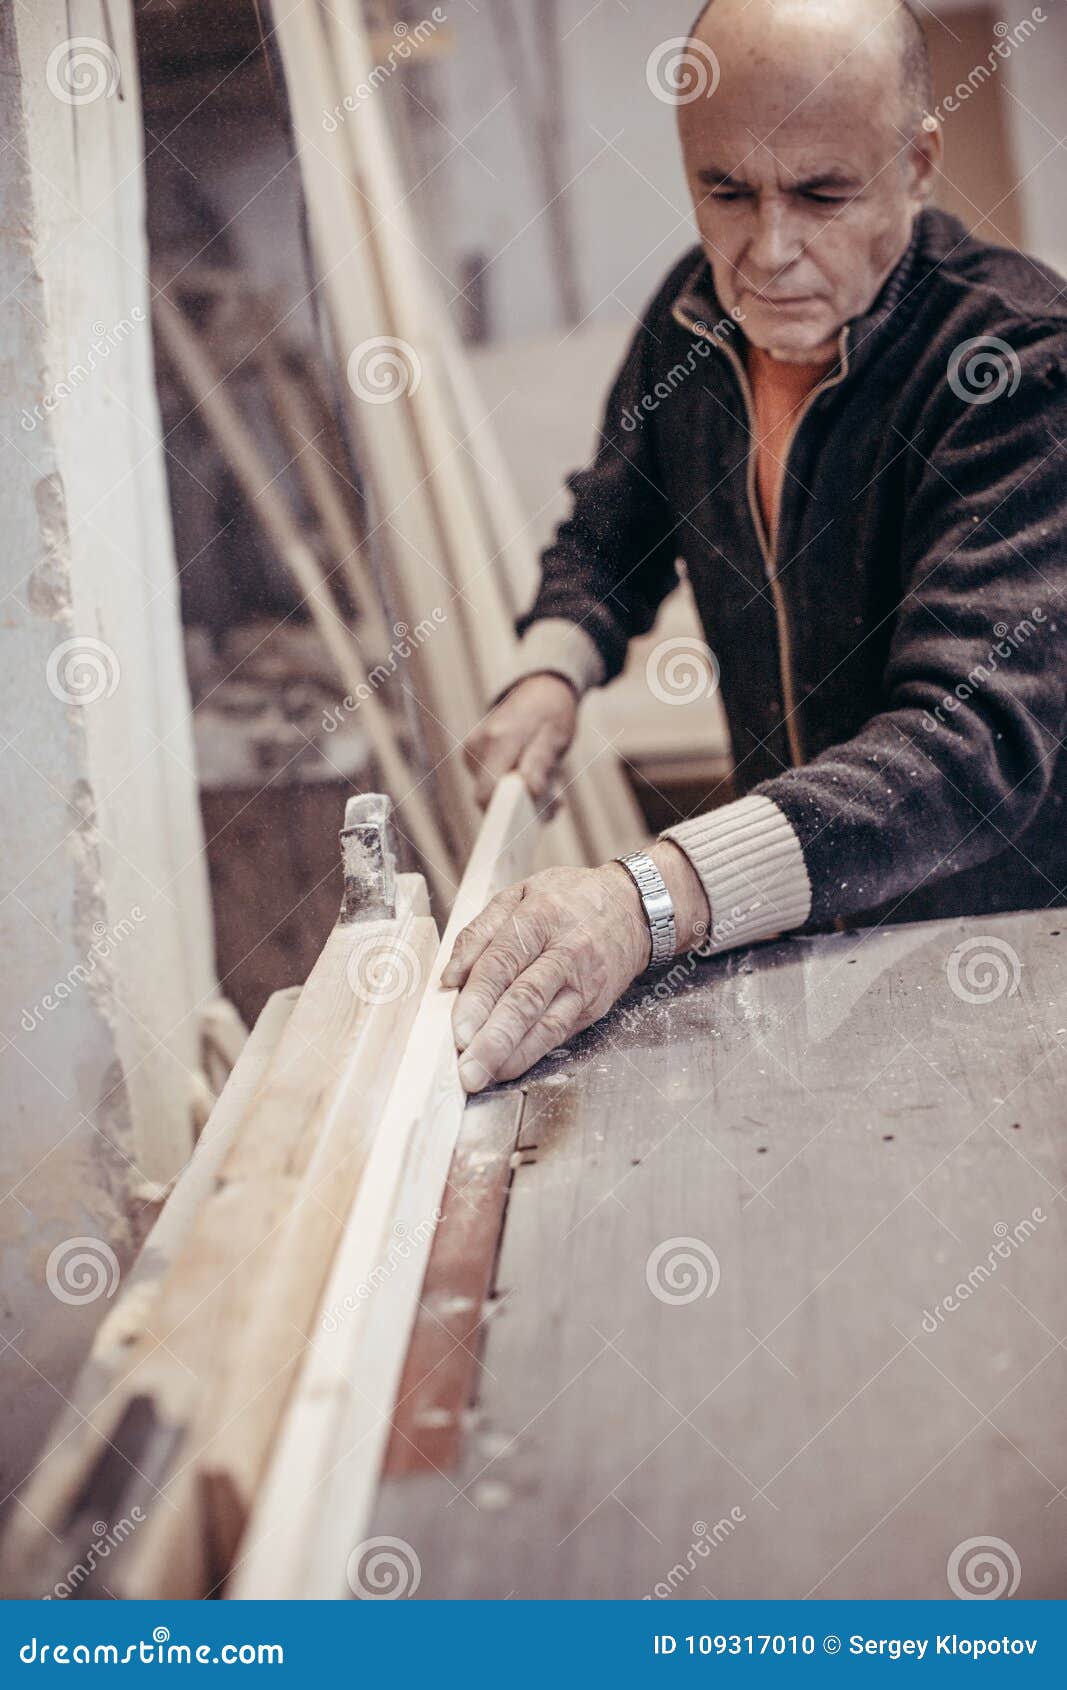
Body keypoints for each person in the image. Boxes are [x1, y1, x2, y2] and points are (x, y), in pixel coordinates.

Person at [441, 0, 1067, 1093]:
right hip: (796, 923)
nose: (766, 253)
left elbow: (965, 744)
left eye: (822, 194)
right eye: (722, 192)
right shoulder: (692, 322)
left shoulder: (1015, 370)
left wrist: (651, 898)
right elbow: (610, 528)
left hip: (997, 960)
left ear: (915, 164)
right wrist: (548, 673)